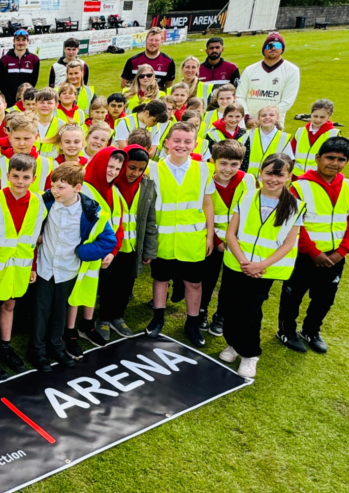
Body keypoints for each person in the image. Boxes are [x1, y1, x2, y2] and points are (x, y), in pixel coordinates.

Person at [219, 154, 303, 378]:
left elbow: (288, 244)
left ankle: (250, 354)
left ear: (289, 176)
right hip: (236, 265)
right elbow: (231, 232)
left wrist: (260, 265)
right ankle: (233, 344)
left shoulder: (295, 206)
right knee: (229, 305)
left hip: (264, 271)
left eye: (279, 174)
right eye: (269, 173)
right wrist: (243, 261)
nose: (273, 179)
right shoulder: (246, 196)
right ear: (260, 173)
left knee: (250, 311)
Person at [278, 137, 349, 355]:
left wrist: (340, 253)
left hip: (335, 258)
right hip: (304, 256)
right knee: (293, 296)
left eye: (341, 159)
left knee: (325, 298)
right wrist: (313, 252)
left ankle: (311, 331)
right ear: (318, 158)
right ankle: (286, 331)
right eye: (330, 157)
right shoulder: (298, 187)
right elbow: (293, 225)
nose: (334, 163)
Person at [29, 162, 116, 369]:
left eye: (61, 187)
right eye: (53, 185)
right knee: (40, 311)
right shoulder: (45, 202)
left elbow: (108, 240)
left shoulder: (92, 211)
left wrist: (83, 253)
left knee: (61, 311)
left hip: (68, 270)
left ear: (77, 188)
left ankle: (56, 347)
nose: (54, 190)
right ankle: (37, 350)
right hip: (45, 267)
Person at [145, 123, 216, 348]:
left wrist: (210, 236)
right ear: (166, 143)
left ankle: (192, 324)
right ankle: (158, 318)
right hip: (163, 238)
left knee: (193, 284)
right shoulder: (152, 169)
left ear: (195, 145)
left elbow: (207, 203)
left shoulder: (205, 169)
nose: (181, 145)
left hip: (192, 239)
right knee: (160, 279)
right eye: (176, 140)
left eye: (187, 142)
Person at [0, 153, 47, 376]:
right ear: (7, 176)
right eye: (15, 176)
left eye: (25, 177)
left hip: (21, 269)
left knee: (10, 306)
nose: (20, 181)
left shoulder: (38, 203)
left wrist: (33, 266)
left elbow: (33, 239)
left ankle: (5, 347)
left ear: (33, 178)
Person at [97, 146, 156, 339]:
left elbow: (150, 219)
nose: (135, 173)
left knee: (126, 284)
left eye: (140, 169)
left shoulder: (147, 186)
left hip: (133, 247)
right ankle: (103, 318)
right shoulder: (111, 185)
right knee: (108, 284)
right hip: (112, 247)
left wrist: (148, 249)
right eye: (131, 167)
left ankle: (118, 316)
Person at [73, 147, 128, 347]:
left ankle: (87, 325)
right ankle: (69, 330)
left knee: (92, 289)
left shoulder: (115, 191)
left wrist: (112, 252)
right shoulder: (83, 189)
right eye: (109, 166)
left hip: (104, 252)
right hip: (81, 252)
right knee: (75, 292)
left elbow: (119, 225)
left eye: (117, 168)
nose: (112, 171)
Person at [200, 140, 249, 339]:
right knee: (207, 278)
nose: (228, 169)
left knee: (231, 282)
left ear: (241, 163)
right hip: (212, 240)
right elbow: (201, 213)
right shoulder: (205, 181)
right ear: (213, 161)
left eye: (234, 164)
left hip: (237, 242)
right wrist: (218, 240)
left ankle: (221, 314)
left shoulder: (248, 181)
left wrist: (233, 241)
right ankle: (201, 310)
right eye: (223, 163)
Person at [235, 32, 300, 122]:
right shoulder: (250, 69)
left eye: (277, 45)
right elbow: (240, 96)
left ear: (282, 49)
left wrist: (268, 118)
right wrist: (246, 117)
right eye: (269, 46)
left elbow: (287, 101)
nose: (273, 48)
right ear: (263, 51)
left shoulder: (292, 70)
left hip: (274, 124)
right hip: (249, 122)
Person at [0, 113, 48, 195]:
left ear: (36, 137)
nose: (21, 143)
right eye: (17, 138)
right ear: (9, 136)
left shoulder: (47, 165)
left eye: (26, 138)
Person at [291, 99, 339, 178]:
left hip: (319, 177)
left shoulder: (333, 134)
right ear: (311, 114)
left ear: (329, 116)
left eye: (322, 117)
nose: (318, 120)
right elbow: (291, 154)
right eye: (315, 116)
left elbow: (334, 159)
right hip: (297, 176)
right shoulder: (300, 131)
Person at [243, 104, 293, 176]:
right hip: (248, 177)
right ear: (258, 118)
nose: (267, 117)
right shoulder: (248, 134)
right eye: (263, 115)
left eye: (271, 115)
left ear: (278, 118)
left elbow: (287, 161)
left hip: (272, 179)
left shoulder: (284, 137)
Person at [0, 28, 40, 106]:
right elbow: (1, 82)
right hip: (9, 101)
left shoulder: (34, 59)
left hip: (27, 101)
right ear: (14, 41)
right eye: (18, 40)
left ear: (28, 41)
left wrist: (26, 96)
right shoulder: (4, 60)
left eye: (23, 40)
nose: (20, 42)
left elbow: (33, 81)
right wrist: (9, 97)